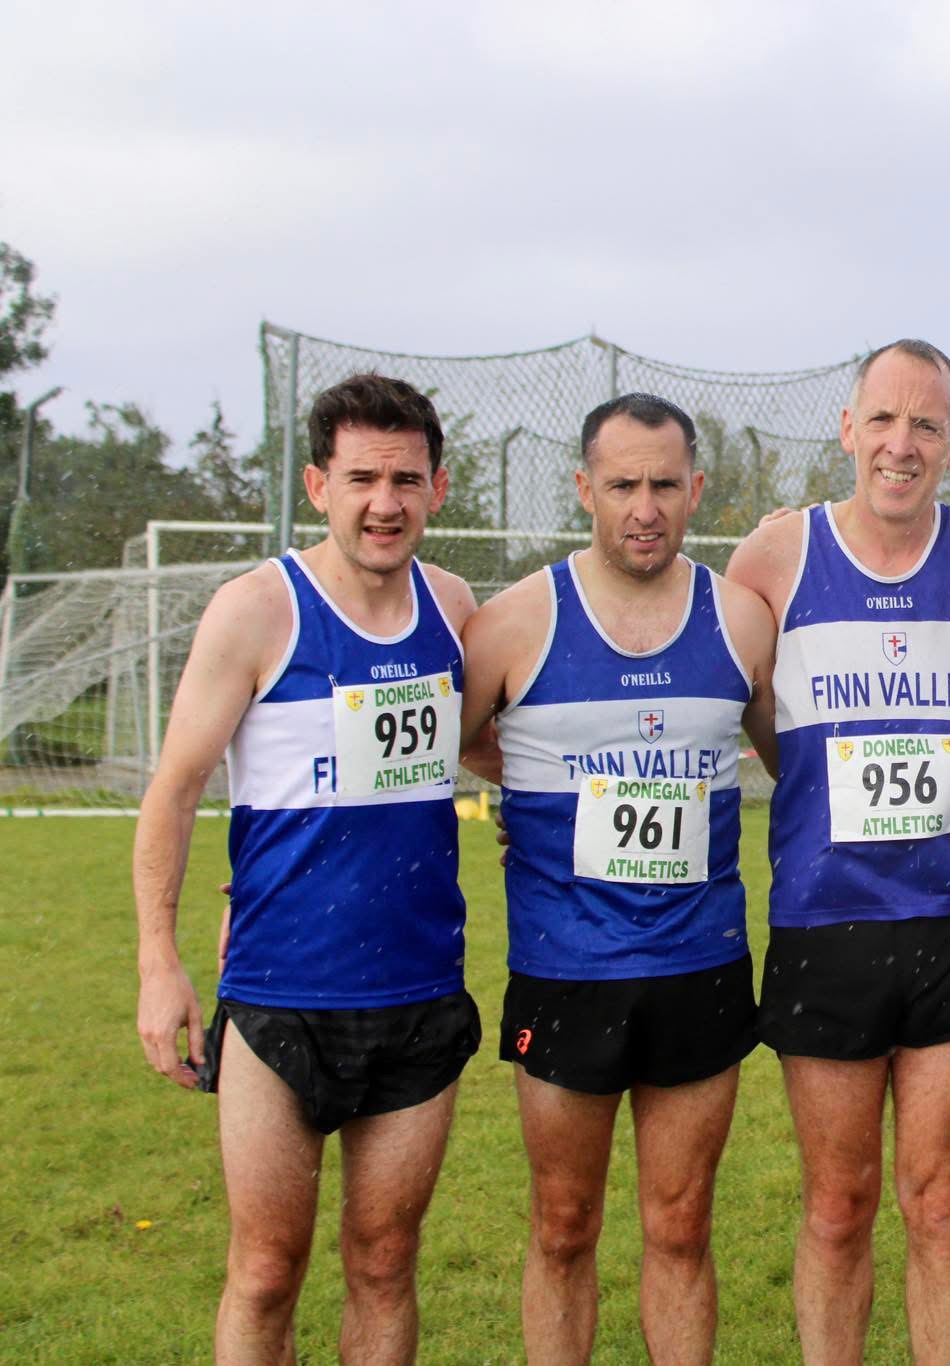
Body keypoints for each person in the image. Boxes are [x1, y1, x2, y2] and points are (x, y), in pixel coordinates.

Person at [134, 373, 480, 1364]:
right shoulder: (256, 610)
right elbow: (174, 790)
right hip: (279, 993)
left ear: (437, 487)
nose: (385, 503)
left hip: (417, 991)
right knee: (264, 1270)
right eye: (362, 478)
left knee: (385, 1261)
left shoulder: (453, 607)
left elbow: (489, 744)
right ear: (319, 484)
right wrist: (158, 961)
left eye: (406, 479)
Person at [722, 339, 950, 1365]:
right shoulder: (775, 556)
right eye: (884, 420)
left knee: (940, 1200)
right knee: (837, 1205)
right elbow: (741, 699)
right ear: (848, 429)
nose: (902, 444)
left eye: (926, 425)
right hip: (825, 922)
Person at [458, 394, 777, 1365]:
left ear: (696, 489)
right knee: (563, 1226)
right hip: (565, 972)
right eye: (623, 484)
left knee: (681, 1226)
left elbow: (795, 763)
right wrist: (534, 791)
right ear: (584, 488)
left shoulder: (740, 620)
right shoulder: (513, 623)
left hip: (698, 965)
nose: (645, 508)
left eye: (665, 485)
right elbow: (444, 748)